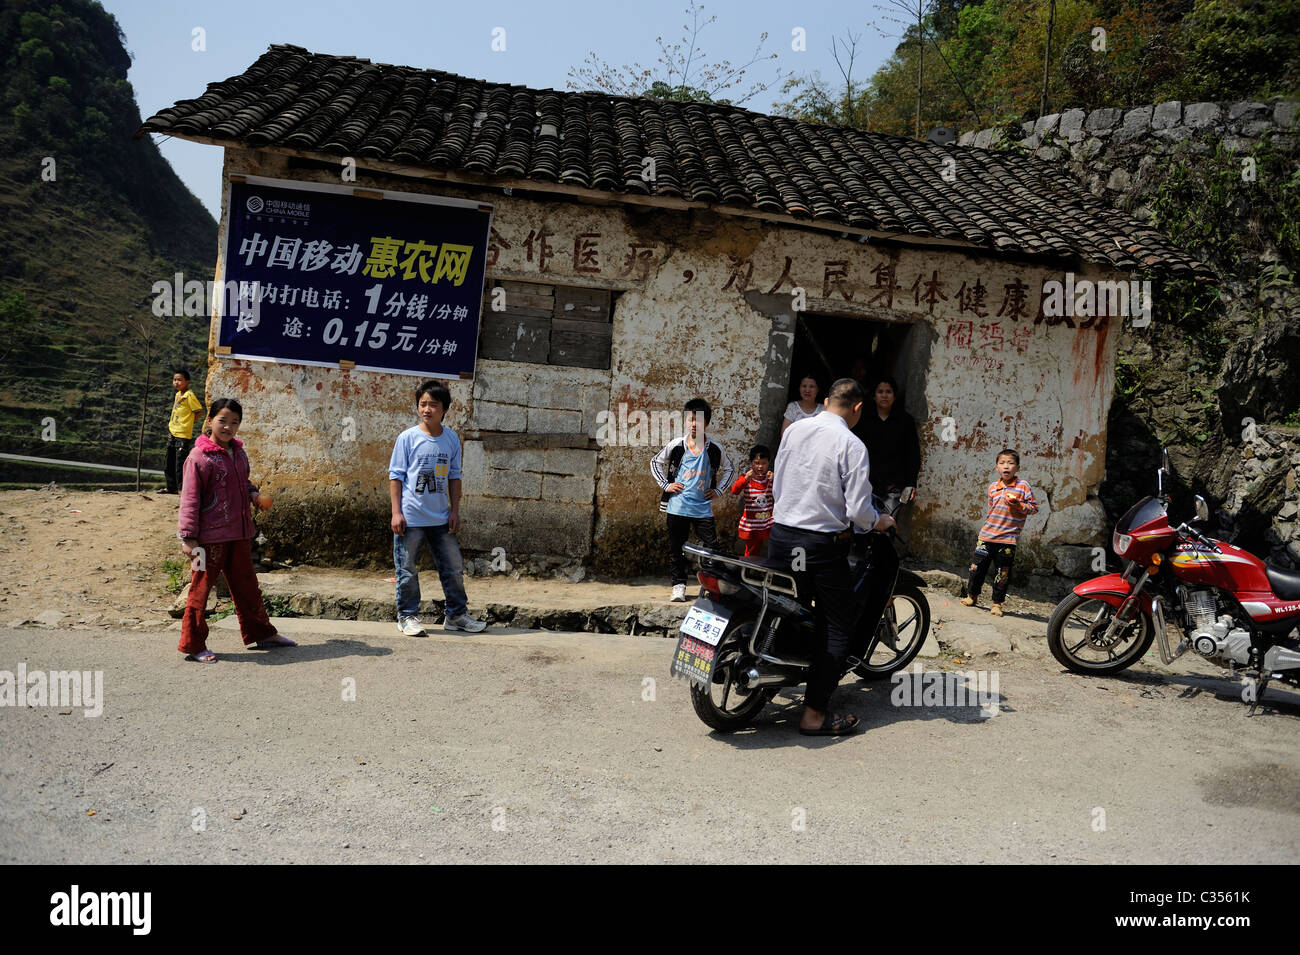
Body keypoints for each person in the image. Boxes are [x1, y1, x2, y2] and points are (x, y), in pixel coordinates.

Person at [769, 378, 895, 736]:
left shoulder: (794, 430)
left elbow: (779, 483)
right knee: (837, 626)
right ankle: (813, 716)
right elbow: (859, 510)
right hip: (820, 548)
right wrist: (879, 521)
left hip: (782, 539)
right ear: (857, 408)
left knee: (788, 606)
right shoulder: (851, 444)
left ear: (826, 401)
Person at [176, 398, 295, 662]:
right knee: (200, 590)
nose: (228, 427)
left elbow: (243, 483)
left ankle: (262, 633)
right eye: (223, 421)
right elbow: (189, 500)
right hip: (208, 540)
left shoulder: (238, 453)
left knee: (247, 587)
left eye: (234, 422)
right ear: (209, 421)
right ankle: (193, 645)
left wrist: (254, 494)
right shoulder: (198, 458)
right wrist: (188, 538)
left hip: (238, 535)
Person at [389, 380, 486, 636]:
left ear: (444, 409)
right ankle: (407, 616)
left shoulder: (451, 438)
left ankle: (456, 615)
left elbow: (455, 477)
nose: (427, 409)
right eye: (423, 404)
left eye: (433, 404)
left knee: (453, 567)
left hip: (441, 518)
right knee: (407, 570)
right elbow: (395, 476)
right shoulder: (408, 438)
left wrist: (455, 511)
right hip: (411, 518)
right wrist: (396, 512)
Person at [651, 397, 735, 602]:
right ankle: (678, 586)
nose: (693, 424)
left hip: (702, 508)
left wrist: (718, 490)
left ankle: (712, 586)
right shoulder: (677, 445)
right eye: (690, 420)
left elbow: (730, 469)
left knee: (711, 547)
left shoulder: (715, 449)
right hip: (678, 506)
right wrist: (666, 485)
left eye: (698, 420)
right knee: (676, 547)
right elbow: (655, 462)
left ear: (706, 422)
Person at [961, 449, 1039, 617]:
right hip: (986, 536)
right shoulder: (992, 488)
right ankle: (971, 596)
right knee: (976, 569)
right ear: (997, 467)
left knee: (1002, 573)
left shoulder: (1023, 486)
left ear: (1017, 467)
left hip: (1008, 540)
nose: (1006, 466)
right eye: (1002, 463)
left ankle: (997, 603)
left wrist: (1018, 505)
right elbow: (992, 510)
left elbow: (1034, 508)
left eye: (1010, 463)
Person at [853, 375, 922, 542]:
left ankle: (882, 563)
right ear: (874, 395)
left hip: (894, 486)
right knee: (863, 526)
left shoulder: (905, 421)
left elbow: (913, 453)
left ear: (894, 395)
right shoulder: (863, 419)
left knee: (887, 527)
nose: (884, 395)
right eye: (880, 391)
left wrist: (911, 483)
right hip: (867, 483)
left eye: (888, 392)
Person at [163, 368, 204, 495]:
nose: (176, 382)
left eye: (180, 380)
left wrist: (188, 422)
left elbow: (199, 411)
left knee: (180, 463)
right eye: (174, 380)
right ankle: (171, 487)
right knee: (168, 461)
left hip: (183, 434)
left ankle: (182, 489)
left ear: (187, 382)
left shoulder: (189, 396)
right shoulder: (178, 395)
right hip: (173, 431)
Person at [730, 444, 774, 558]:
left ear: (769, 463)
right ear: (751, 463)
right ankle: (748, 571)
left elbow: (781, 492)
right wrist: (745, 479)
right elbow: (734, 490)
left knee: (773, 547)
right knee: (751, 550)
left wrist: (776, 479)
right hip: (752, 523)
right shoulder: (746, 478)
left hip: (768, 522)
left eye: (764, 463)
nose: (760, 467)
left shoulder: (771, 478)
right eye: (757, 463)